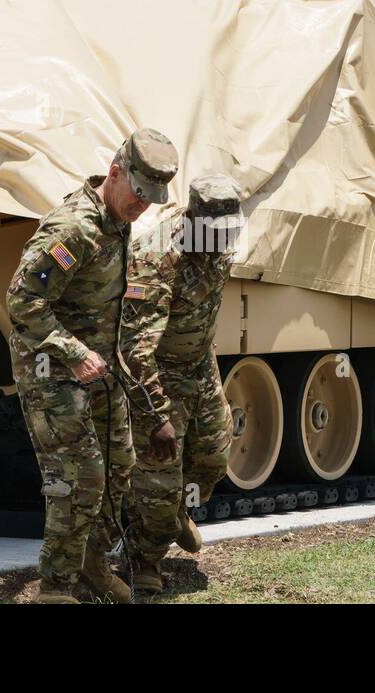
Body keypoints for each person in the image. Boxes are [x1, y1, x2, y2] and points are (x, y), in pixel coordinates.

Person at [6, 129, 178, 603]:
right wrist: (74, 352)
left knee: (119, 466)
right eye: (138, 195)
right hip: (50, 369)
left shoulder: (116, 219)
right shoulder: (73, 229)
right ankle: (56, 586)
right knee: (77, 477)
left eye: (151, 200)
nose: (142, 206)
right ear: (116, 173)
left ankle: (92, 566)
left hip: (100, 369)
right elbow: (23, 301)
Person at [122, 174, 244, 593]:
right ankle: (144, 561)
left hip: (200, 366)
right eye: (217, 234)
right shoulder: (157, 258)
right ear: (194, 223)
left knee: (213, 458)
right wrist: (156, 415)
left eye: (230, 233)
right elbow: (134, 349)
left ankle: (177, 515)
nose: (225, 242)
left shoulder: (218, 239)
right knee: (158, 481)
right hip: (158, 375)